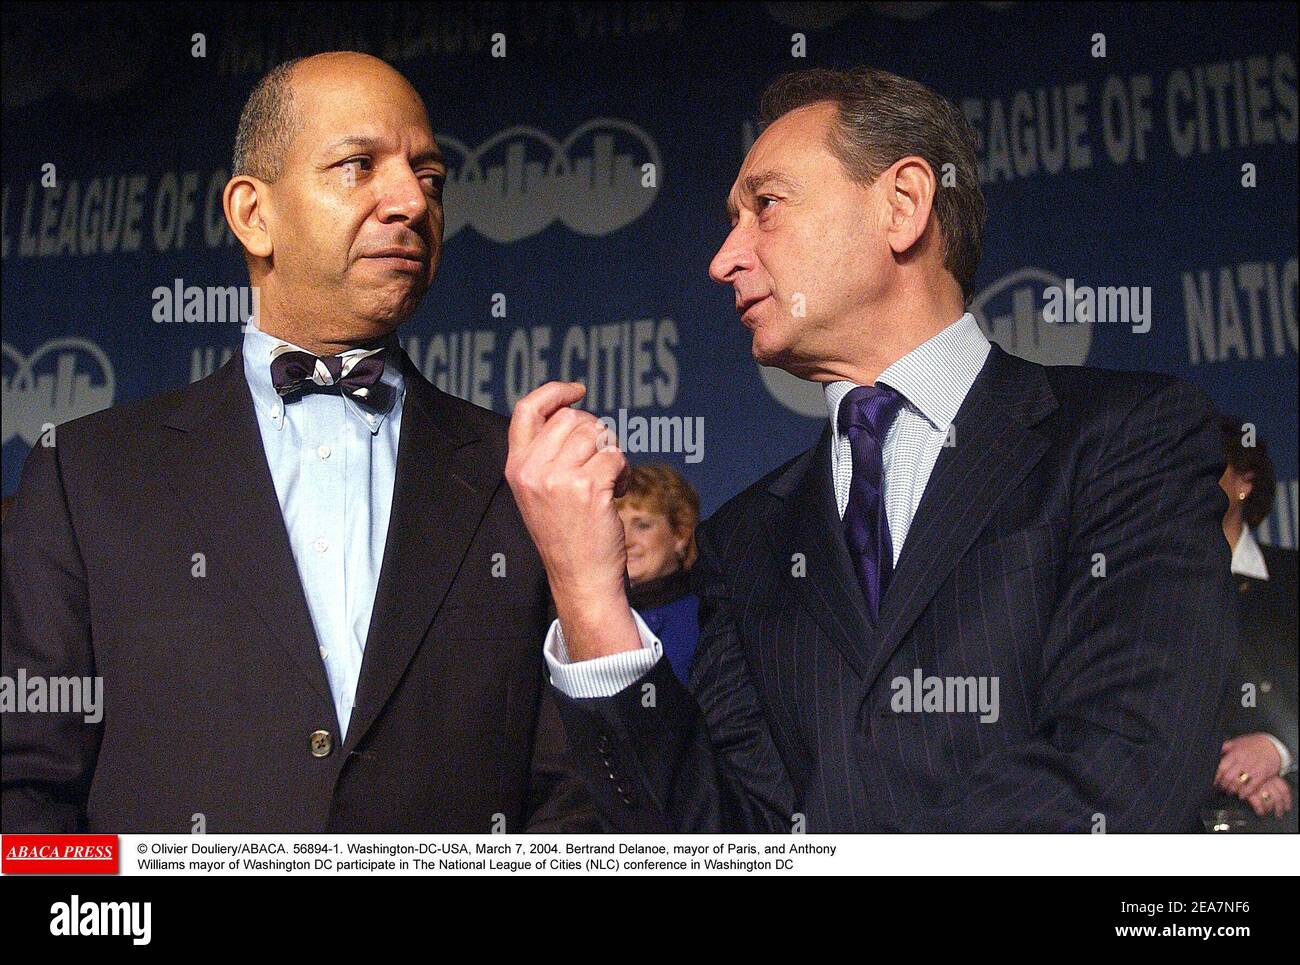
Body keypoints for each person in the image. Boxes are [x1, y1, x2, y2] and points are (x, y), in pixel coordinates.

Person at [505, 66, 1236, 832]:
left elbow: (1124, 769)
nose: (724, 258)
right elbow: (722, 838)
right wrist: (588, 596)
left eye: (766, 206)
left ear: (903, 204)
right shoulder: (747, 540)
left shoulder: (1129, 437)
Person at [1, 52, 595, 833]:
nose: (411, 202)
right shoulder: (86, 474)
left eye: (431, 177)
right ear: (253, 214)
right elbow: (27, 783)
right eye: (358, 166)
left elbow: (569, 794)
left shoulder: (516, 473)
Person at [1209, 416, 1298, 831]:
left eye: (1207, 467)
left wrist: (1278, 752)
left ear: (1243, 482)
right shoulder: (1142, 590)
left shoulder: (1292, 578)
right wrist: (1220, 767)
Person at [617, 464, 700, 684]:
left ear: (680, 534)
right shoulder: (583, 618)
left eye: (642, 525)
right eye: (615, 524)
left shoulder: (707, 618)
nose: (625, 540)